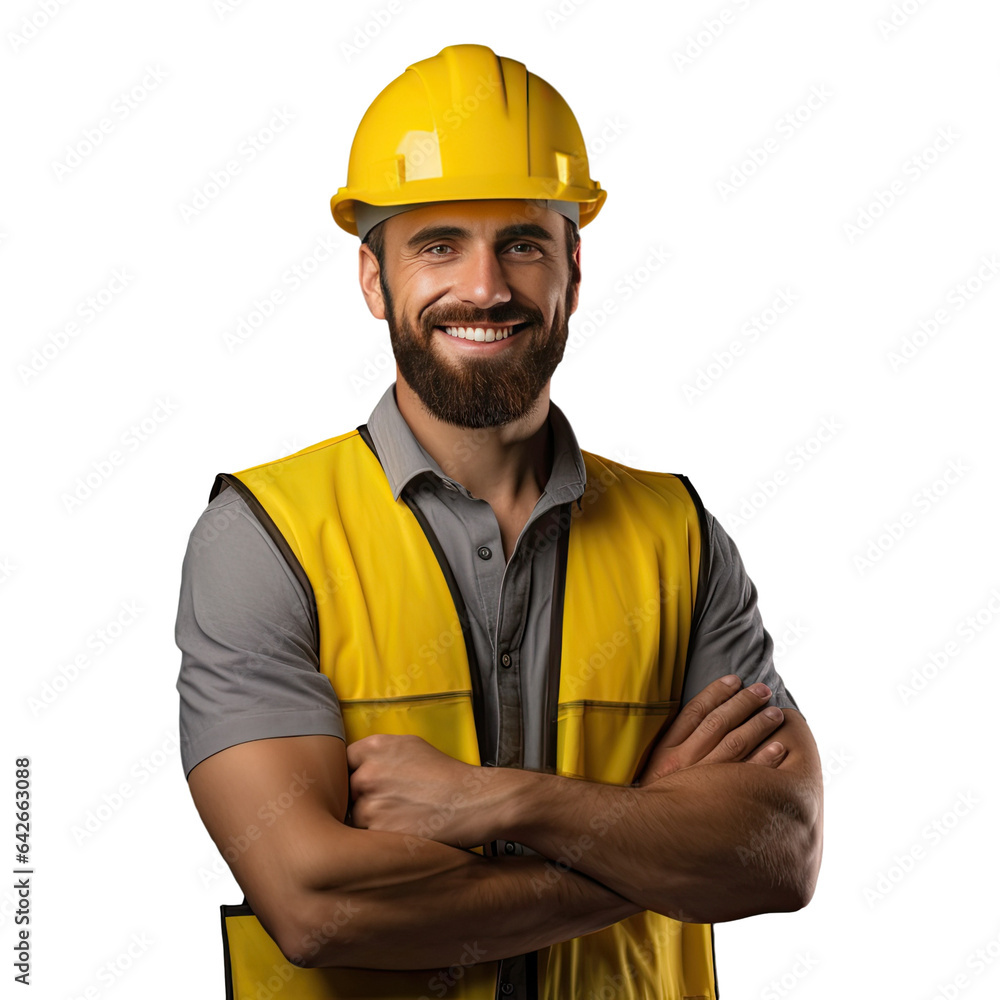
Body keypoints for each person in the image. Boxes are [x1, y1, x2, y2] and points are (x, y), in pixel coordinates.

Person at [175, 42, 823, 1000]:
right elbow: (314, 905)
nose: (485, 288)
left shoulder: (680, 538)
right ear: (373, 277)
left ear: (572, 268)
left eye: (522, 242)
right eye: (439, 244)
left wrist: (500, 802)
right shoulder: (265, 537)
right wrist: (654, 844)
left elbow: (779, 852)